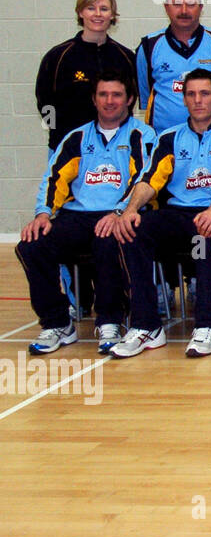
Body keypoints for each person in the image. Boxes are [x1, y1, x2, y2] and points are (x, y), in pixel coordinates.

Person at [106, 69, 211, 359]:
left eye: (205, 94)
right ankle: (146, 325)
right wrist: (129, 210)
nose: (198, 100)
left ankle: (206, 326)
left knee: (203, 238)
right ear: (183, 99)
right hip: (177, 213)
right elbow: (150, 179)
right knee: (132, 231)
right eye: (191, 94)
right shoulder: (169, 137)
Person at [17, 72, 155, 355]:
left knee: (108, 241)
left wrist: (119, 211)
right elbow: (54, 178)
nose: (109, 101)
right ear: (94, 99)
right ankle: (57, 323)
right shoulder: (76, 137)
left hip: (119, 213)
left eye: (116, 95)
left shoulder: (142, 135)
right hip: (77, 216)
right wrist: (43, 214)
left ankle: (110, 321)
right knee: (31, 245)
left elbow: (144, 178)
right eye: (103, 94)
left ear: (129, 99)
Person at [35, 0, 136, 152]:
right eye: (91, 8)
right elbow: (44, 101)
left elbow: (131, 100)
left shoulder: (125, 57)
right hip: (68, 147)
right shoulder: (58, 56)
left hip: (116, 147)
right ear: (80, 13)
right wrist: (58, 133)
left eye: (104, 9)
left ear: (112, 15)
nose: (98, 14)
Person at [137, 0, 211, 135]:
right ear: (166, 7)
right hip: (164, 138)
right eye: (177, 4)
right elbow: (147, 96)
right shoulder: (148, 46)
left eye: (191, 5)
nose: (184, 11)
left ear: (201, 8)